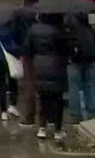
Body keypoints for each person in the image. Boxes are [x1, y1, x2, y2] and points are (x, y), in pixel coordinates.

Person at [25, 13, 69, 142]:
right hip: (56, 66)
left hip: (39, 67)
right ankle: (57, 129)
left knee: (43, 98)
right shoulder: (58, 31)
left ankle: (42, 128)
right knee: (57, 99)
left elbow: (28, 49)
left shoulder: (33, 29)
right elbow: (65, 49)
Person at [0, 21, 21, 122]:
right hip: (9, 59)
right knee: (13, 81)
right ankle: (13, 105)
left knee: (1, 84)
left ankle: (3, 112)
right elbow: (13, 46)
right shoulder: (10, 30)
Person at [65, 12, 95, 121]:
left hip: (75, 61)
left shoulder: (72, 31)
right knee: (90, 87)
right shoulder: (90, 30)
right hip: (90, 60)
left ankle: (75, 115)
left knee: (74, 88)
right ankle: (92, 113)